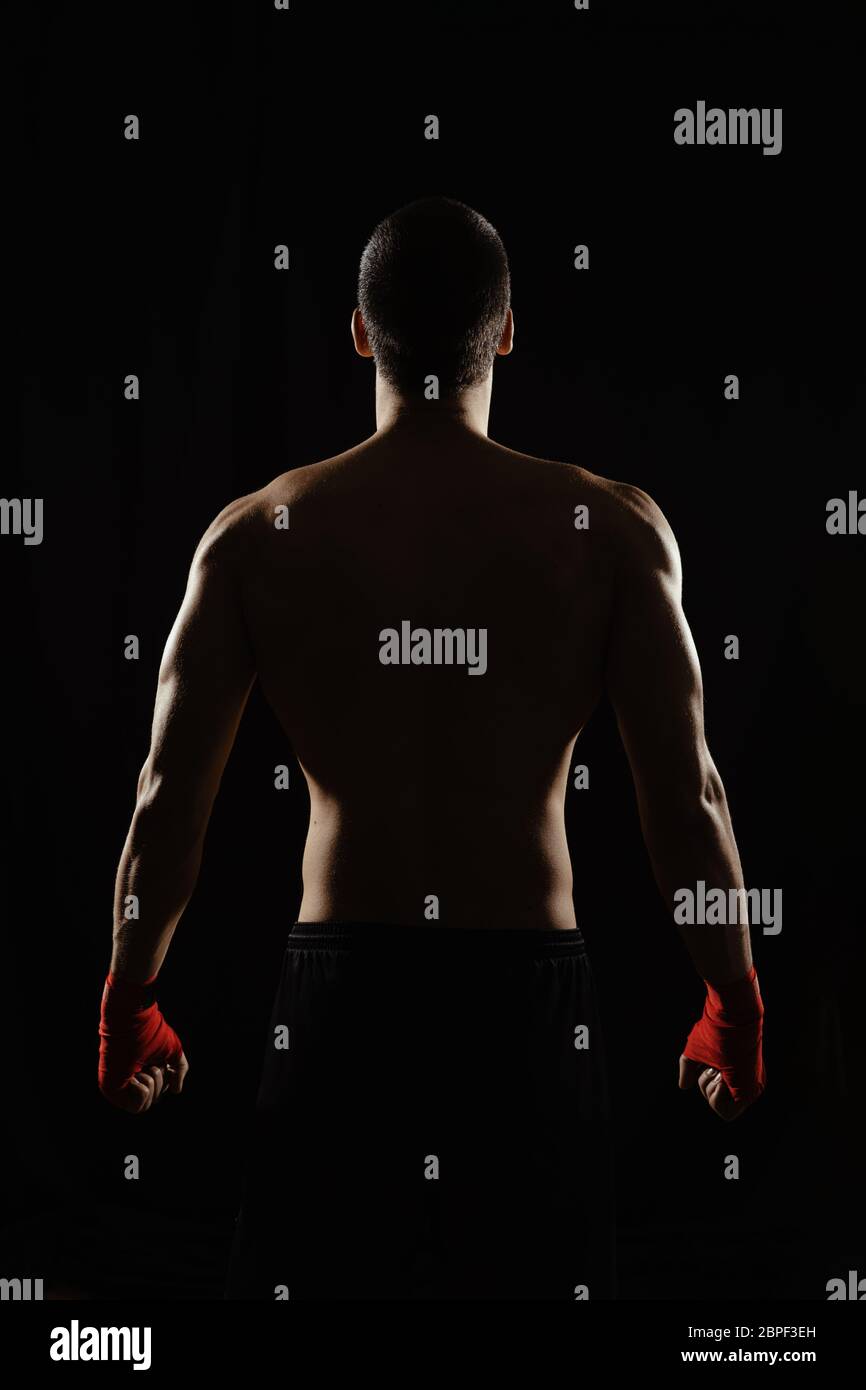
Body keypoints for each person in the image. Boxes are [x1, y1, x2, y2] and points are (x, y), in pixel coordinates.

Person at [97, 197, 765, 1300]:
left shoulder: (257, 534)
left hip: (339, 1002)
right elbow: (687, 801)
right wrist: (731, 1005)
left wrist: (128, 1004)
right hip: (526, 1005)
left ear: (359, 332)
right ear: (505, 331)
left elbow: (165, 802)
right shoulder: (608, 531)